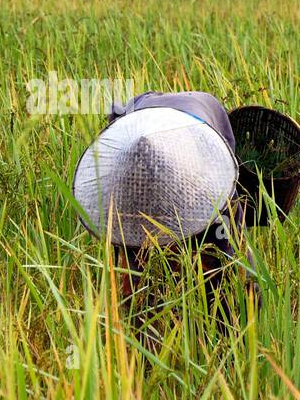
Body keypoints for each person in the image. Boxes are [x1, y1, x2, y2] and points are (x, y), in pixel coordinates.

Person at [72, 91, 259, 330]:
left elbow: (232, 267)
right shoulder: (125, 182)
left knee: (226, 264)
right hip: (139, 131)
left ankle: (226, 337)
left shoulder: (202, 179)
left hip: (200, 132)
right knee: (138, 274)